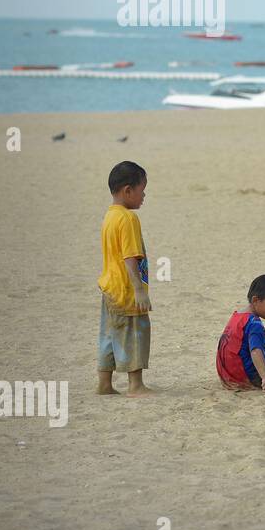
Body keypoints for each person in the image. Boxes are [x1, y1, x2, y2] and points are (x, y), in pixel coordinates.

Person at [97, 161, 152, 397]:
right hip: (126, 290)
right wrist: (139, 290)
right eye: (142, 189)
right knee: (134, 334)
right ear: (127, 190)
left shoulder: (110, 216)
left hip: (109, 289)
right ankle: (135, 385)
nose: (144, 195)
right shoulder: (128, 219)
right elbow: (130, 257)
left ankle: (104, 384)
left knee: (109, 335)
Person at [216, 275, 265, 392]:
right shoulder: (254, 323)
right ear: (255, 300)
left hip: (226, 376)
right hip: (244, 377)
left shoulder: (237, 316)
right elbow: (255, 351)